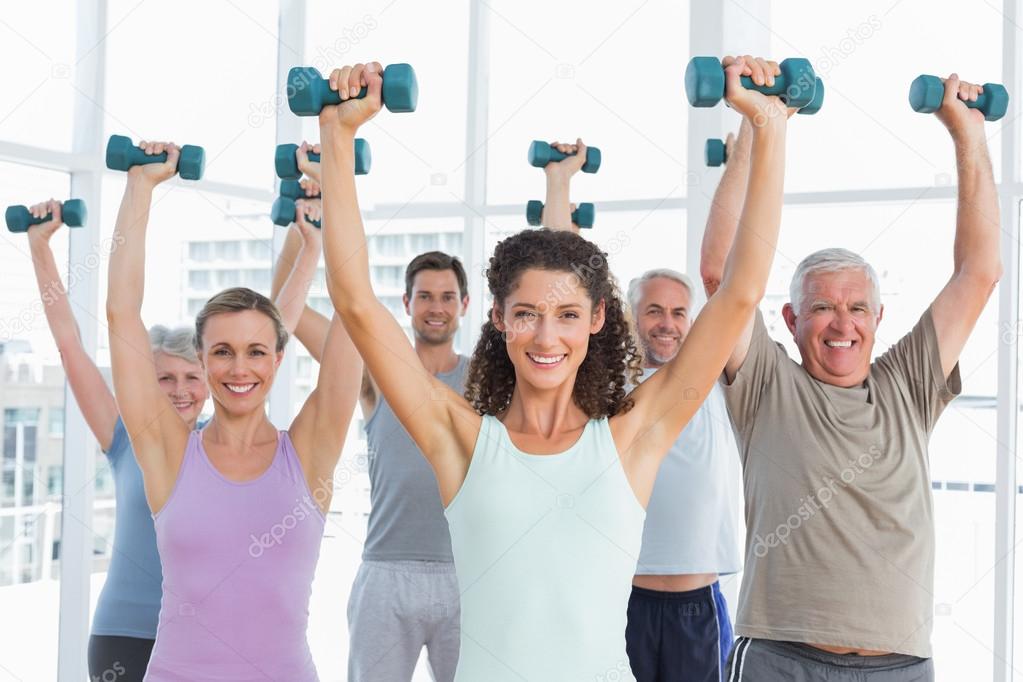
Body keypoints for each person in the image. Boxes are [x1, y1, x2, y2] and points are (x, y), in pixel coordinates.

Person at [318, 58, 785, 679]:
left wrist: (770, 126)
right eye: (526, 314)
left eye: (566, 315)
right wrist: (337, 134)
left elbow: (740, 292)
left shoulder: (631, 438)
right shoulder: (460, 440)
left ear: (596, 319)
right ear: (498, 318)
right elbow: (354, 300)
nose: (546, 336)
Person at [700, 63, 1002, 681]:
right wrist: (754, 130)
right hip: (781, 657)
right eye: (822, 308)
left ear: (878, 317)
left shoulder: (908, 385)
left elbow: (979, 273)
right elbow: (720, 276)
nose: (842, 324)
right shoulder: (767, 386)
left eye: (857, 308)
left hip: (901, 665)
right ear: (790, 319)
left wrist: (968, 135)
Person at [104, 140, 362, 681]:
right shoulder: (169, 452)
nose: (239, 368)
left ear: (278, 358)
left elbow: (355, 312)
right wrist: (140, 187)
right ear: (201, 360)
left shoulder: (308, 452)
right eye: (222, 351)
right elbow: (121, 313)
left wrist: (338, 180)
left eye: (255, 351)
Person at [540, 138, 743, 680]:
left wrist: (743, 156)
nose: (667, 323)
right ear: (628, 317)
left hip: (697, 603)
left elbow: (728, 271)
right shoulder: (609, 379)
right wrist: (559, 180)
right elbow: (566, 278)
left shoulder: (712, 376)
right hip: (618, 597)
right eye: (654, 310)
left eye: (679, 312)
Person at [268, 162, 469, 680]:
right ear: (406, 303)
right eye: (425, 296)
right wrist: (304, 230)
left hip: (468, 572)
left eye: (447, 296)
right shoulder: (376, 369)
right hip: (385, 571)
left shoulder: (487, 379)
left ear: (464, 304)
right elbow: (285, 310)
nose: (436, 307)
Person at [24, 201, 209, 682]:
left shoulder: (227, 444)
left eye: (192, 377)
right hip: (123, 636)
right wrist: (40, 246)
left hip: (203, 637)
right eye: (164, 378)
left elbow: (276, 331)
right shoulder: (125, 435)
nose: (180, 390)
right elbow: (70, 346)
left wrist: (310, 239)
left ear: (210, 382)